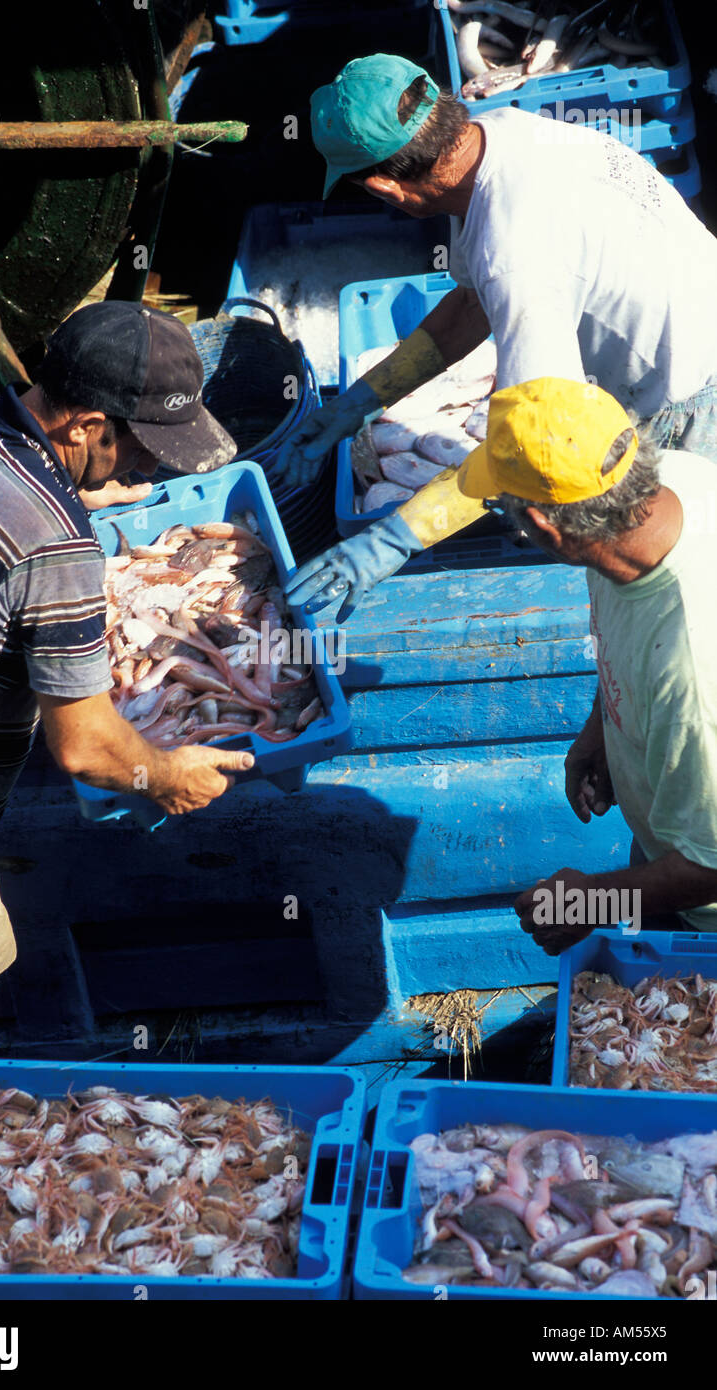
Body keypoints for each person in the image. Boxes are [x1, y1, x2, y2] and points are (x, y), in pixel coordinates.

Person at [0, 300, 254, 1087]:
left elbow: (1, 532)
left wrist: (74, 501)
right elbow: (84, 746)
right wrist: (168, 775)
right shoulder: (54, 542)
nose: (153, 465)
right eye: (141, 444)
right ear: (81, 426)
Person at [283, 52, 717, 620]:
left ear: (387, 189)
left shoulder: (517, 257)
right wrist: (362, 402)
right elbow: (471, 305)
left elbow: (533, 448)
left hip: (689, 397)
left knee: (670, 582)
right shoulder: (500, 132)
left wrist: (388, 543)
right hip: (687, 325)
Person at [451, 377, 717, 956]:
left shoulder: (691, 672)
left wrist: (589, 901)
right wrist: (602, 728)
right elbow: (627, 633)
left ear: (545, 528)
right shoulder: (669, 484)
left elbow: (709, 865)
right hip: (674, 835)